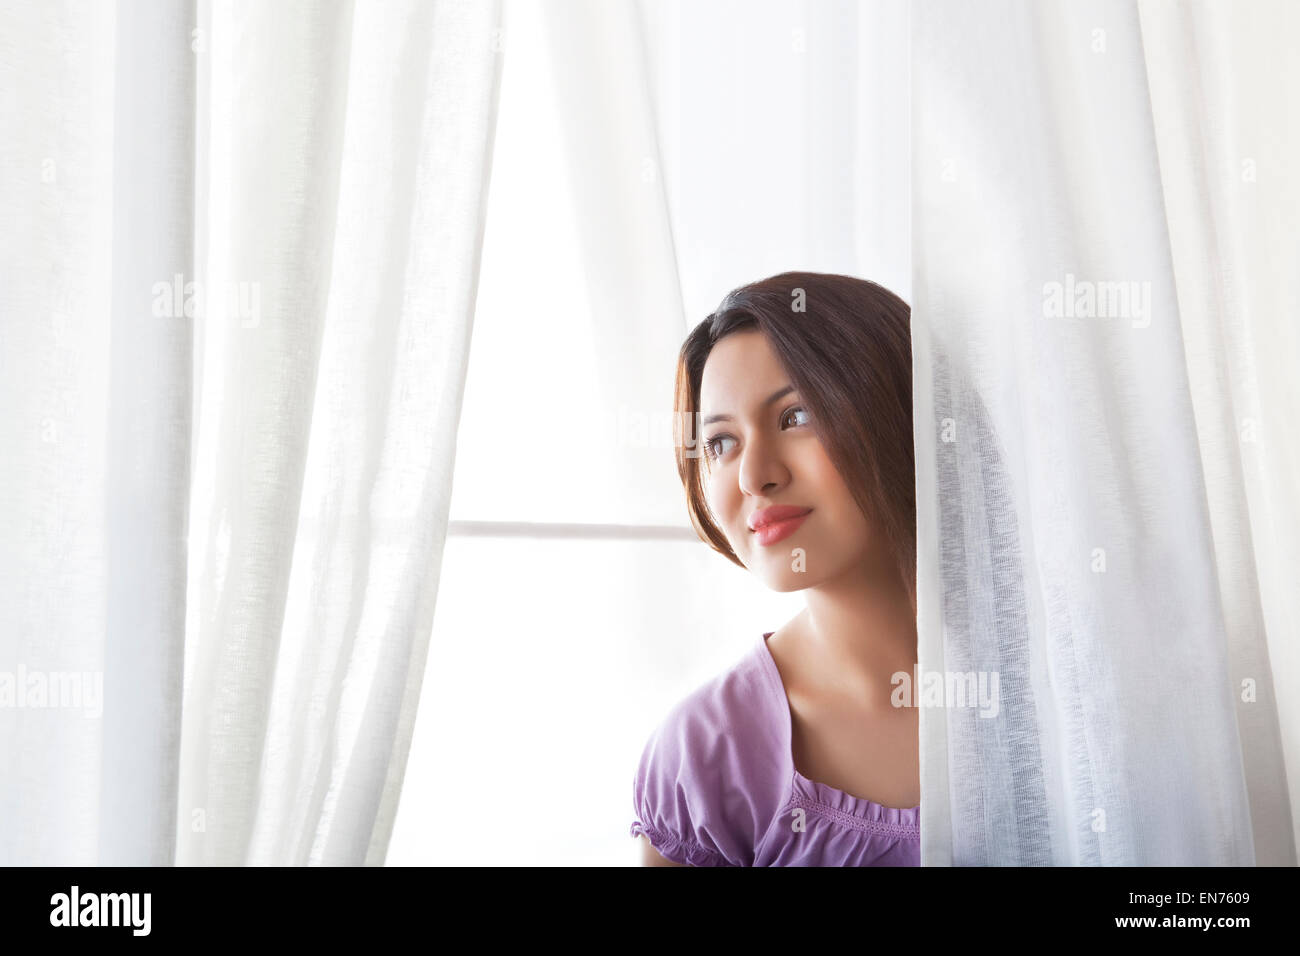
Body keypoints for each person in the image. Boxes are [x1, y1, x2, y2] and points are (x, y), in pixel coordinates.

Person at [630, 272, 921, 866]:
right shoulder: (704, 759)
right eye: (721, 443)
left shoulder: (1067, 690)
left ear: (900, 411)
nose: (752, 475)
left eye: (794, 417)